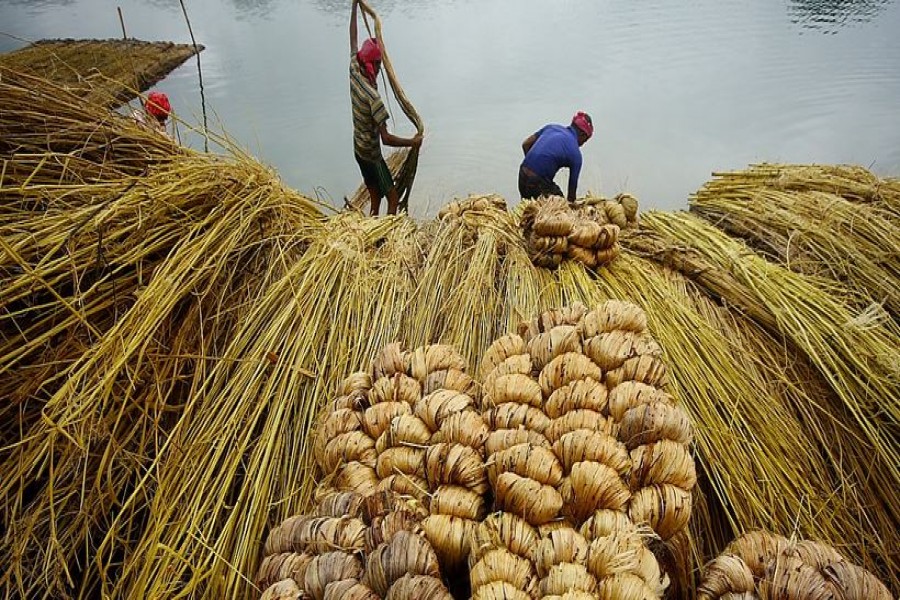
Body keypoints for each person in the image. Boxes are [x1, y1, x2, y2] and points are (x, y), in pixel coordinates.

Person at [350, 0, 422, 216]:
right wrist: (412, 142)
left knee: (374, 195)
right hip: (372, 155)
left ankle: (370, 224)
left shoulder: (354, 69)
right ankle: (386, 237)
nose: (381, 69)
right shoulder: (374, 99)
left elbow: (352, 37)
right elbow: (386, 139)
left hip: (358, 150)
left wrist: (354, 7)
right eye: (379, 65)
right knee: (392, 198)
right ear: (374, 66)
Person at [519, 112, 594, 202]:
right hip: (537, 184)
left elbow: (525, 144)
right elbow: (571, 196)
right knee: (561, 206)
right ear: (582, 134)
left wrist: (534, 167)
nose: (581, 145)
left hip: (522, 176)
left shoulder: (551, 127)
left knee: (529, 207)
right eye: (585, 141)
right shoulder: (576, 155)